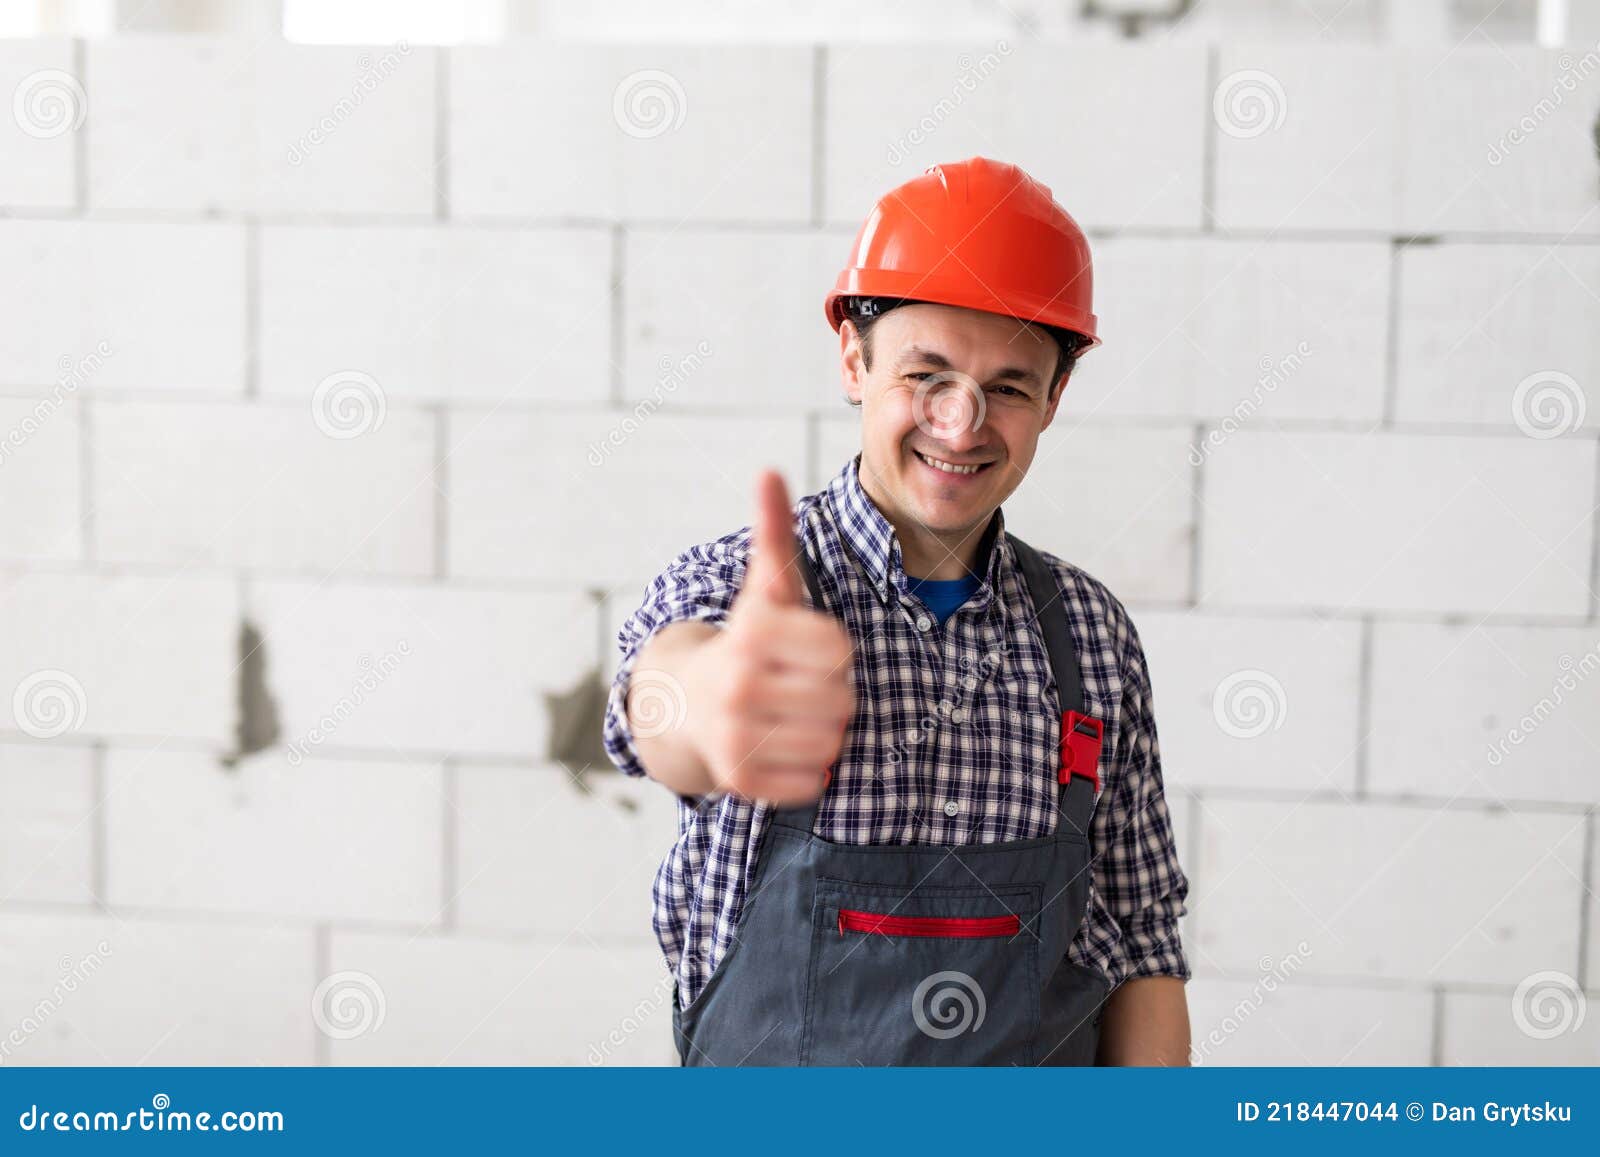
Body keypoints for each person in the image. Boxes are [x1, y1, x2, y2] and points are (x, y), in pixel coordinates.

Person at [603, 156, 1192, 1066]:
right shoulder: (737, 585)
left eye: (1008, 386)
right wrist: (718, 700)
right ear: (854, 359)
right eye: (927, 374)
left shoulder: (1091, 635)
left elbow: (1141, 933)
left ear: (1054, 398)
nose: (962, 425)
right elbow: (658, 705)